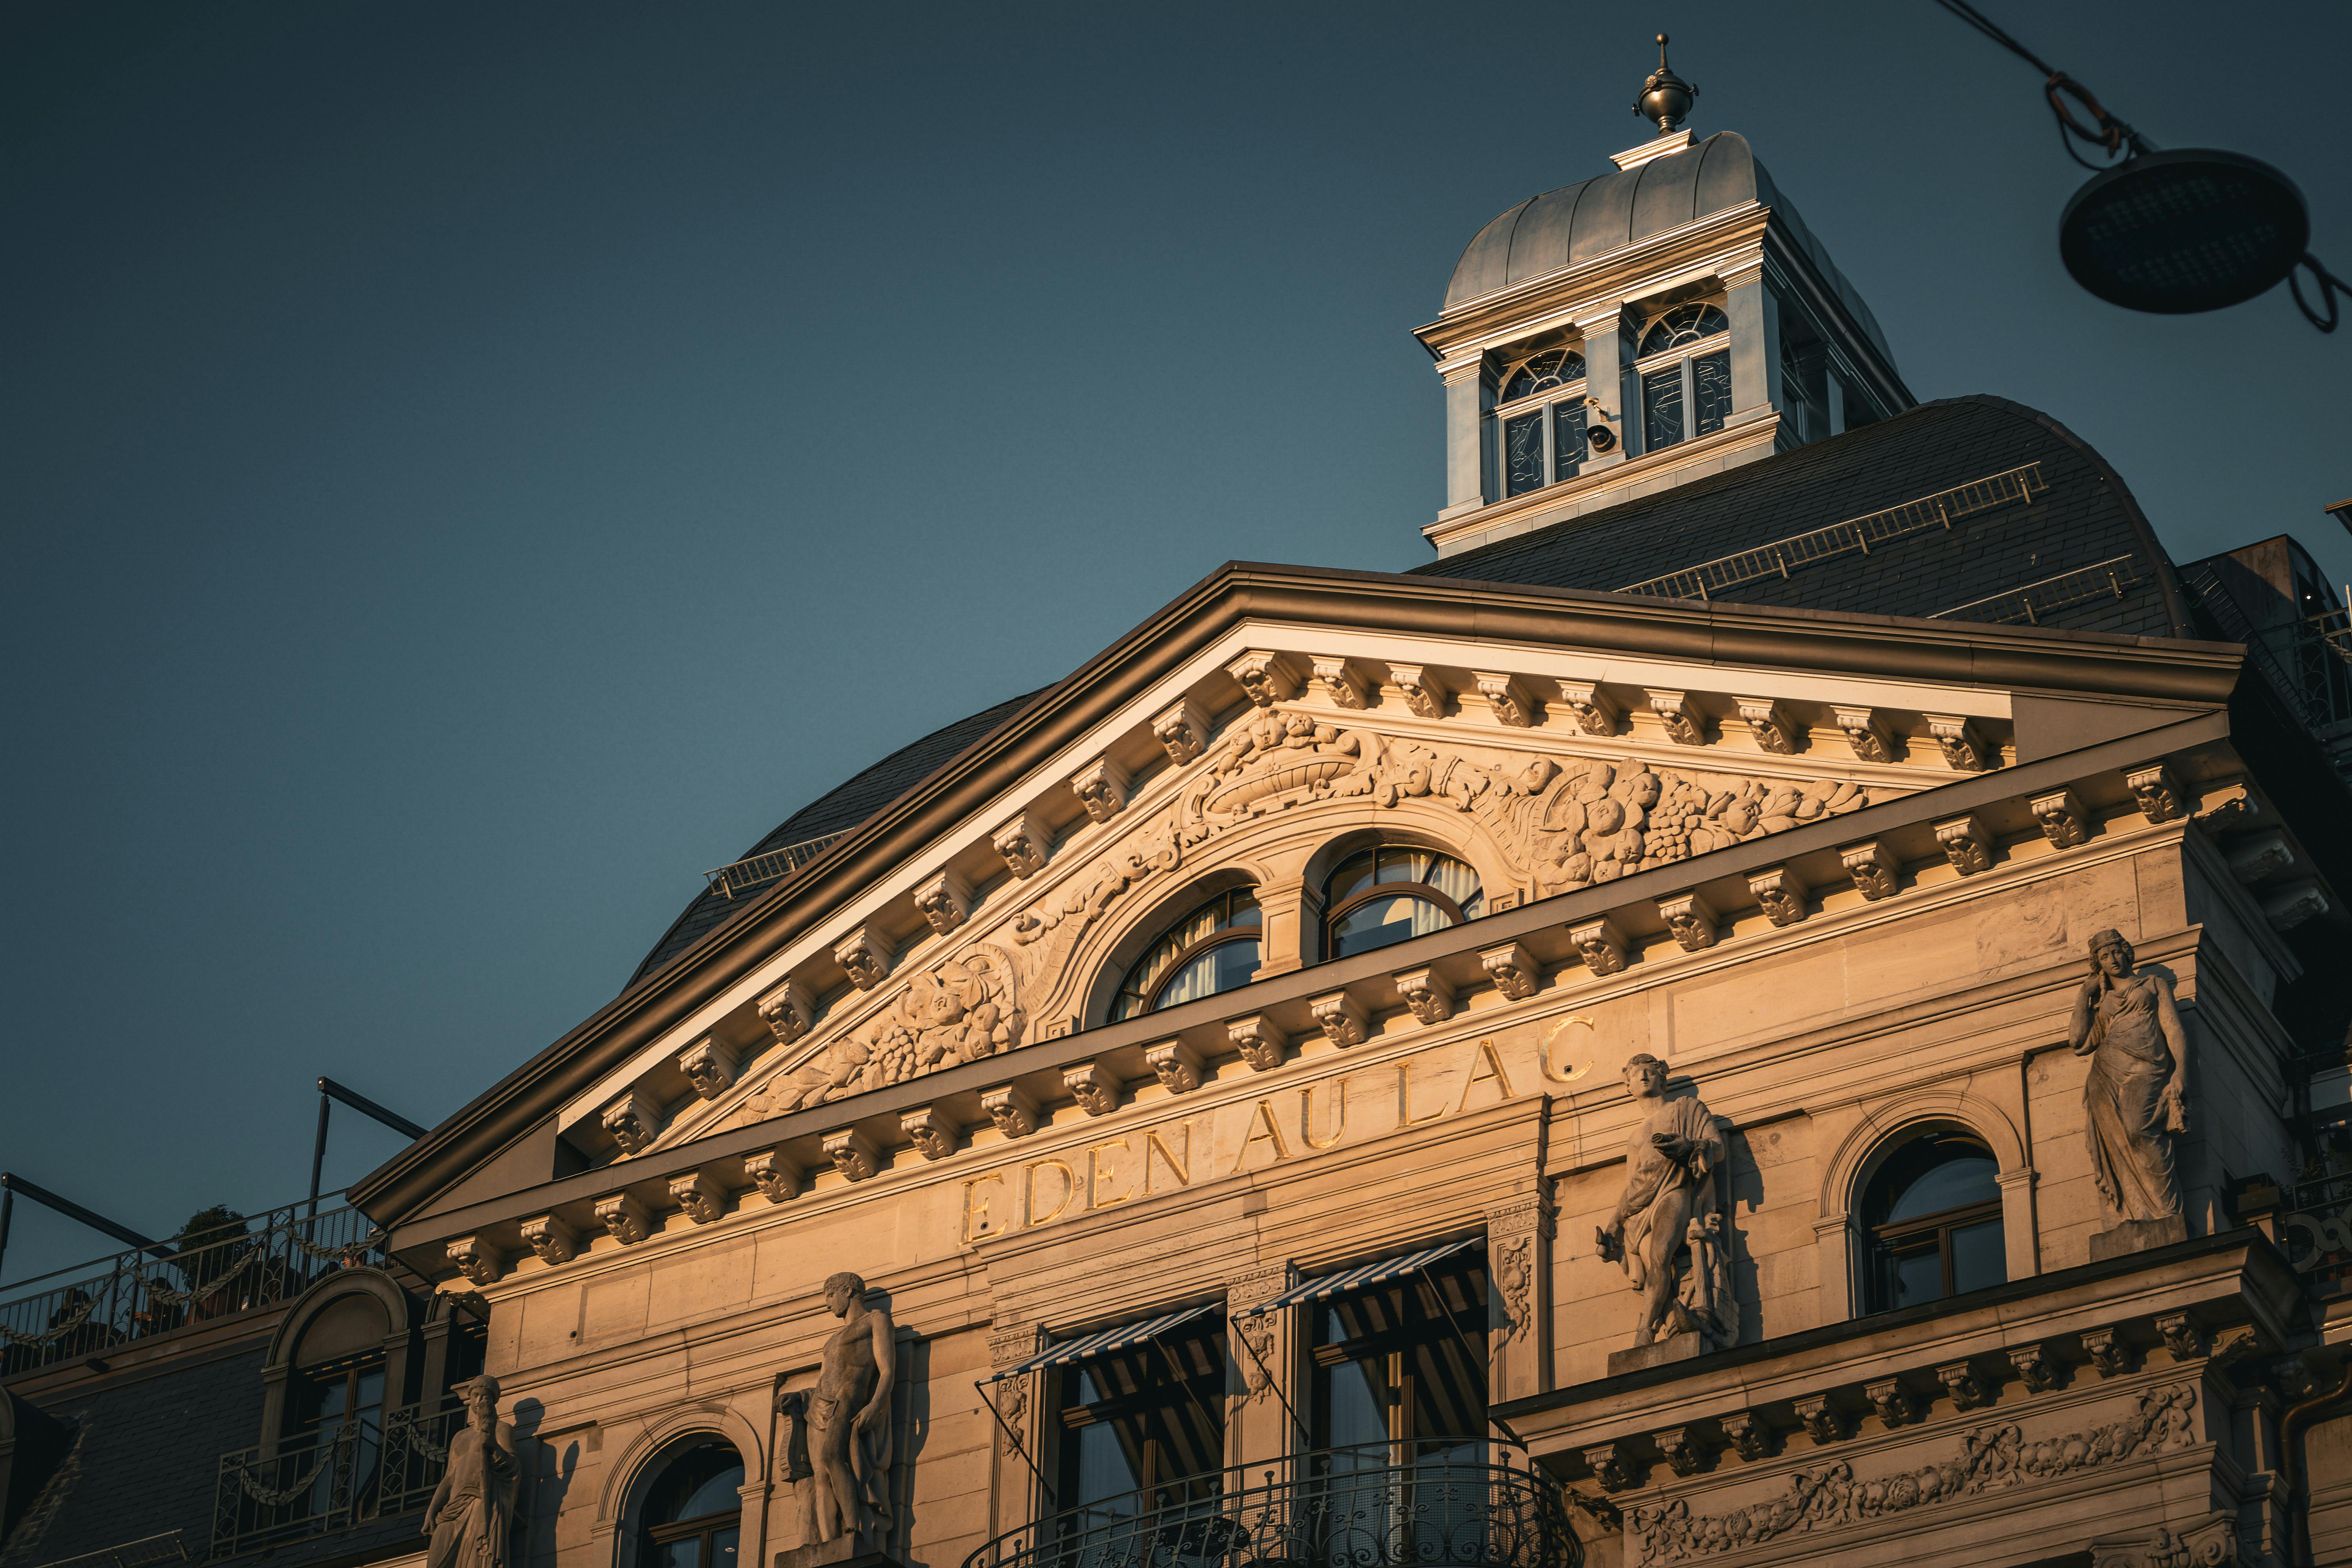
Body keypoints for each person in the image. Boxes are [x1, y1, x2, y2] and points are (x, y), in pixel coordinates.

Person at [1597, 1054, 1734, 1348]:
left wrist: (1690, 1147)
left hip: (1675, 1189)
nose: (1644, 1077)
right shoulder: (1635, 1137)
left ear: (1663, 1078)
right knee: (1656, 1266)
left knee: (1660, 1254)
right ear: (1628, 1086)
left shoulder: (1687, 1109)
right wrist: (1613, 1227)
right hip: (1640, 1209)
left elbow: (1717, 1149)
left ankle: (1645, 1330)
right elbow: (1631, 1186)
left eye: (1650, 1071)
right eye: (1636, 1075)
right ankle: (1674, 1320)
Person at [2067, 929, 2189, 1222]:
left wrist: (2181, 1073)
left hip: (2148, 1067)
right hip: (2106, 1073)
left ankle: (2167, 1212)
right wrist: (2085, 995)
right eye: (2105, 956)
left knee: (2139, 1130)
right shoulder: (2102, 1000)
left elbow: (2173, 1029)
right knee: (2118, 1141)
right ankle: (2135, 1213)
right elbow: (2078, 1042)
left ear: (2127, 952)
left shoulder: (2153, 984)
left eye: (2117, 952)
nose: (2113, 959)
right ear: (2098, 964)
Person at [808, 1272, 895, 1543]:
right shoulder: (832, 1340)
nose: (827, 1304)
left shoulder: (876, 1321)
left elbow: (887, 1370)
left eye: (830, 1295)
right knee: (822, 1473)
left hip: (850, 1399)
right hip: (822, 1405)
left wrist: (876, 1405)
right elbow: (825, 1377)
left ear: (847, 1290)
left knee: (832, 1456)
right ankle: (833, 1536)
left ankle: (852, 1527)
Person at [423, 1375, 515, 1568]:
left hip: (479, 1502)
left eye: (486, 1396)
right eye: (476, 1395)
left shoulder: (501, 1430)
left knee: (475, 1560)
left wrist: (492, 1445)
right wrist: (432, 1511)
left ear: (494, 1400)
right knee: (436, 1560)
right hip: (453, 1508)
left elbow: (512, 1467)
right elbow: (449, 1478)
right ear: (470, 1398)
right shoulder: (460, 1437)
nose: (480, 1401)